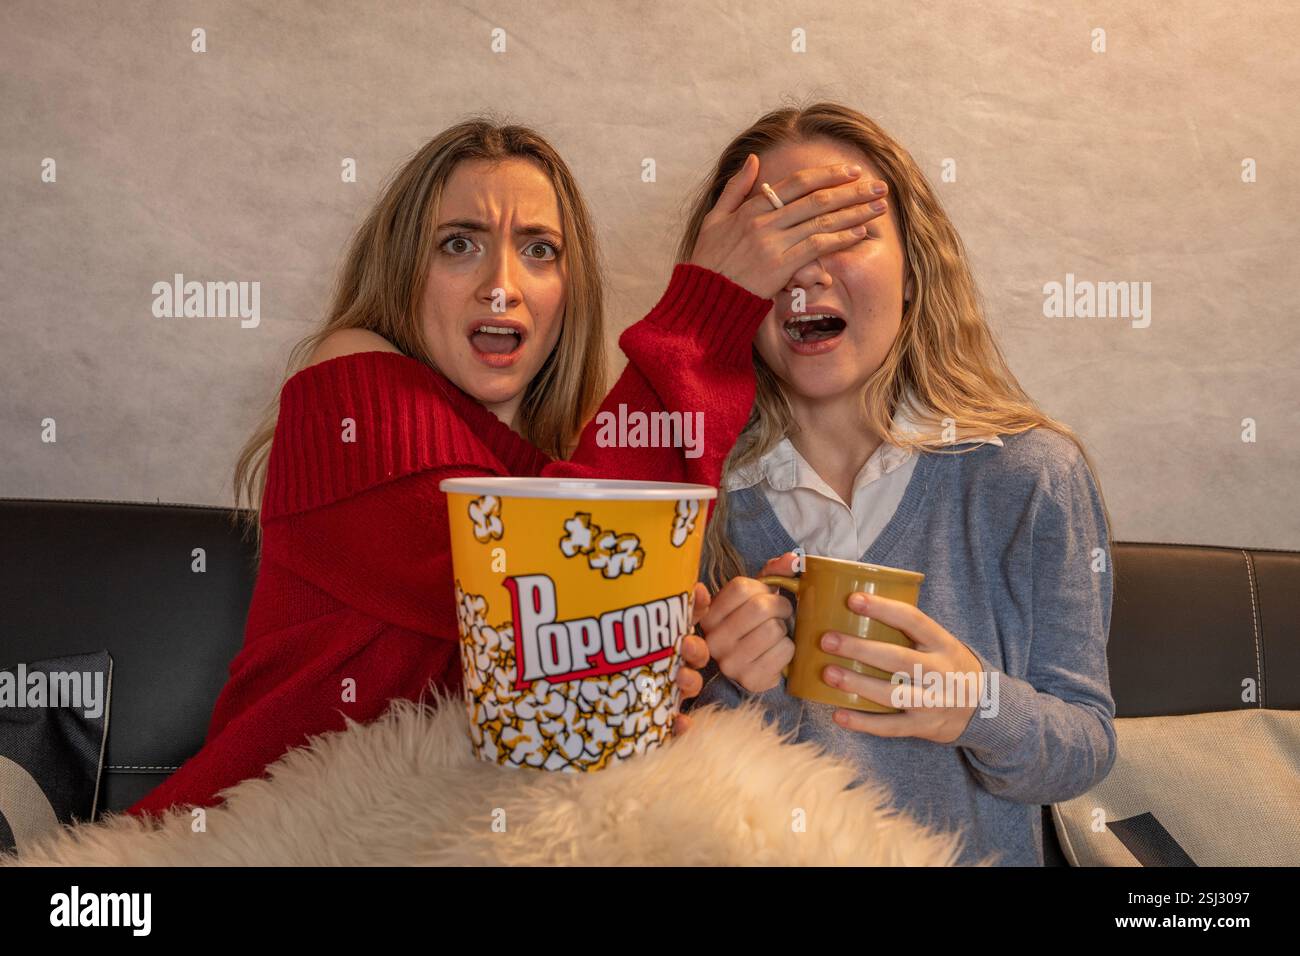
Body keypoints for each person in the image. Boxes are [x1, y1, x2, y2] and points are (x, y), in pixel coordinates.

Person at [126, 117, 889, 817]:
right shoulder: (348, 381)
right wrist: (707, 307)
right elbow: (550, 574)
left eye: (539, 249)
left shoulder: (556, 462)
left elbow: (543, 663)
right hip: (258, 836)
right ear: (403, 270)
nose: (501, 283)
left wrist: (644, 676)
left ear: (568, 291)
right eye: (458, 243)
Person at [681, 102, 1118, 866]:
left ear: (914, 271)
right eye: (773, 237)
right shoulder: (691, 487)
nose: (806, 269)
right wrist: (721, 677)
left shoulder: (1030, 475)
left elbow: (1083, 747)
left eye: (844, 229)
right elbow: (631, 762)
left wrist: (973, 704)